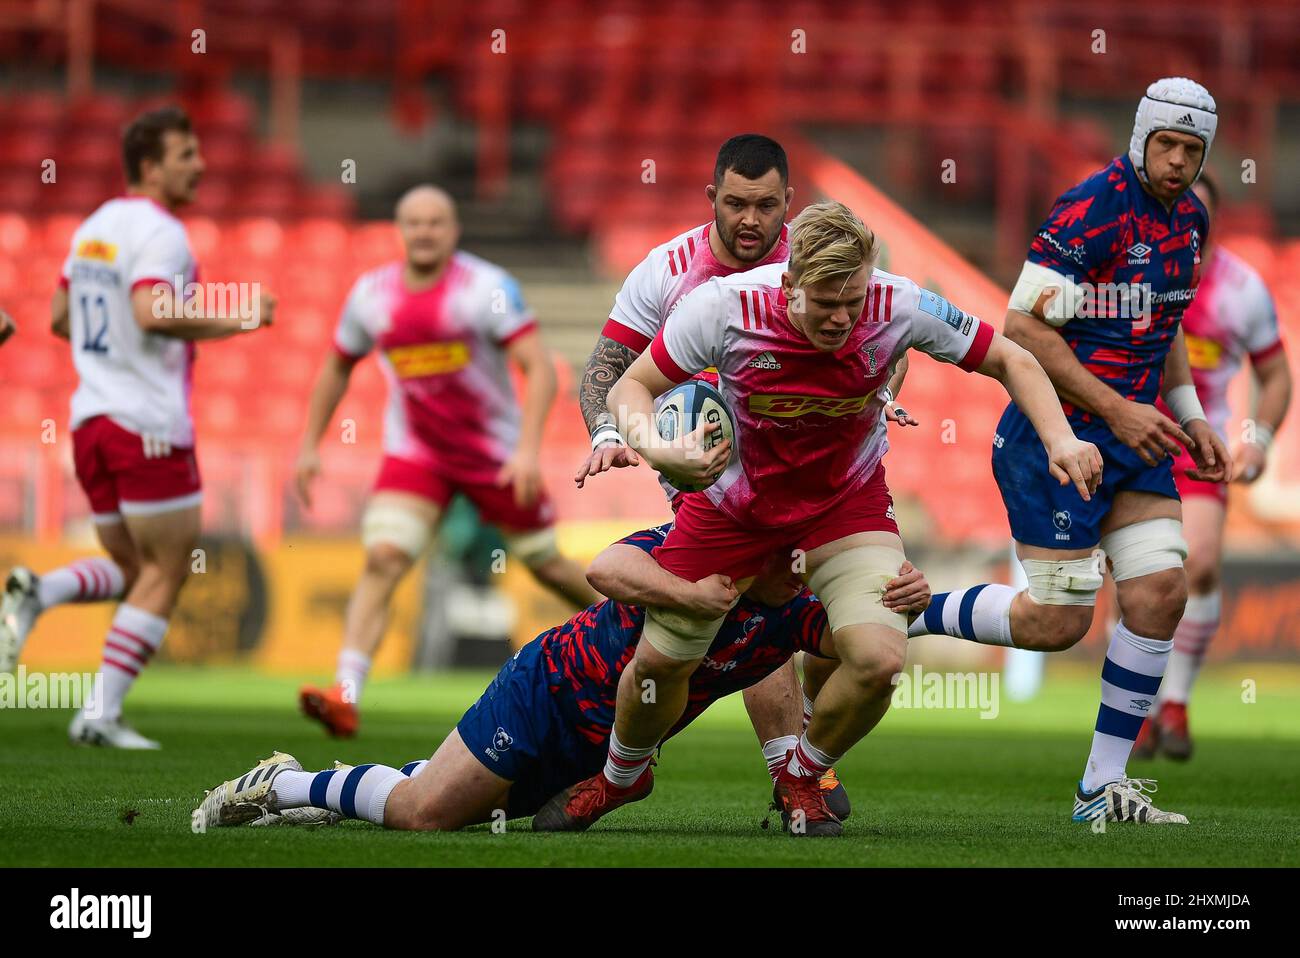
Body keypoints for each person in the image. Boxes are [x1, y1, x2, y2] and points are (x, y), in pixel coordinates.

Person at [547, 200, 1098, 837]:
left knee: (878, 661)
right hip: (733, 506)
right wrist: (663, 451)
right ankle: (621, 778)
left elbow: (1012, 358)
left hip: (845, 505)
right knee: (659, 666)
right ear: (788, 284)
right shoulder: (723, 307)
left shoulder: (898, 303)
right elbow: (629, 388)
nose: (842, 318)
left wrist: (1060, 439)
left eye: (854, 300)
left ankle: (803, 776)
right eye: (825, 302)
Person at [907, 78, 1232, 823]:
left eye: (1193, 149)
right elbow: (1023, 329)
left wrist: (1193, 415)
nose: (1179, 161)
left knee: (1160, 594)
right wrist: (1117, 410)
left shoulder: (1190, 221)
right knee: (1057, 623)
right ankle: (912, 611)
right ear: (1141, 138)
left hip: (1135, 437)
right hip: (1055, 436)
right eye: (1168, 144)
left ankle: (1099, 789)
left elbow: (1165, 326)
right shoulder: (1092, 209)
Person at [573, 133, 912, 816]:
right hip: (709, 469)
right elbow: (608, 368)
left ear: (790, 202)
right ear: (712, 200)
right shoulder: (667, 270)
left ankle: (800, 764)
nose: (750, 219)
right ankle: (788, 771)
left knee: (818, 609)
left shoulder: (820, 262)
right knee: (756, 601)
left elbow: (889, 338)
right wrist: (613, 433)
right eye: (735, 204)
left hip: (821, 462)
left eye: (765, 205)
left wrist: (883, 390)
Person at [193, 524, 931, 832]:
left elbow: (857, 654)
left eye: (804, 556)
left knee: (467, 808)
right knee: (425, 813)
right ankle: (284, 782)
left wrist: (901, 601)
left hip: (604, 746)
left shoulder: (795, 610)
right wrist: (687, 597)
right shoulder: (696, 554)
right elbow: (604, 568)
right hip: (545, 691)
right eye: (786, 553)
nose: (795, 564)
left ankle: (356, 789)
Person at [0, 106, 276, 747]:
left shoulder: (95, 226)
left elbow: (62, 317)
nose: (201, 165)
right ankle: (99, 713)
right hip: (148, 424)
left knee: (132, 569)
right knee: (168, 569)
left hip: (91, 422)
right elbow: (152, 313)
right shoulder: (163, 233)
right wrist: (241, 316)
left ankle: (39, 590)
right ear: (150, 166)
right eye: (186, 155)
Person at [294, 185, 598, 738]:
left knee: (547, 565)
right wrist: (310, 443)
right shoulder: (371, 295)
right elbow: (338, 365)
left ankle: (643, 632)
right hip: (418, 454)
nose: (425, 231)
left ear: (453, 230)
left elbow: (540, 367)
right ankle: (346, 692)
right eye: (415, 222)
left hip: (494, 455)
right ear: (400, 229)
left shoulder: (486, 289)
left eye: (436, 222)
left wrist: (528, 450)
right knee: (384, 557)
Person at [1133, 173, 1290, 760]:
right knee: (1142, 583)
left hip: (1198, 450)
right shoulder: (1131, 271)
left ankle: (1174, 703)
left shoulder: (1240, 289)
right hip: (1130, 440)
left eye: (1199, 215)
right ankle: (1141, 710)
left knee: (1196, 567)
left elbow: (1276, 376)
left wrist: (1258, 440)